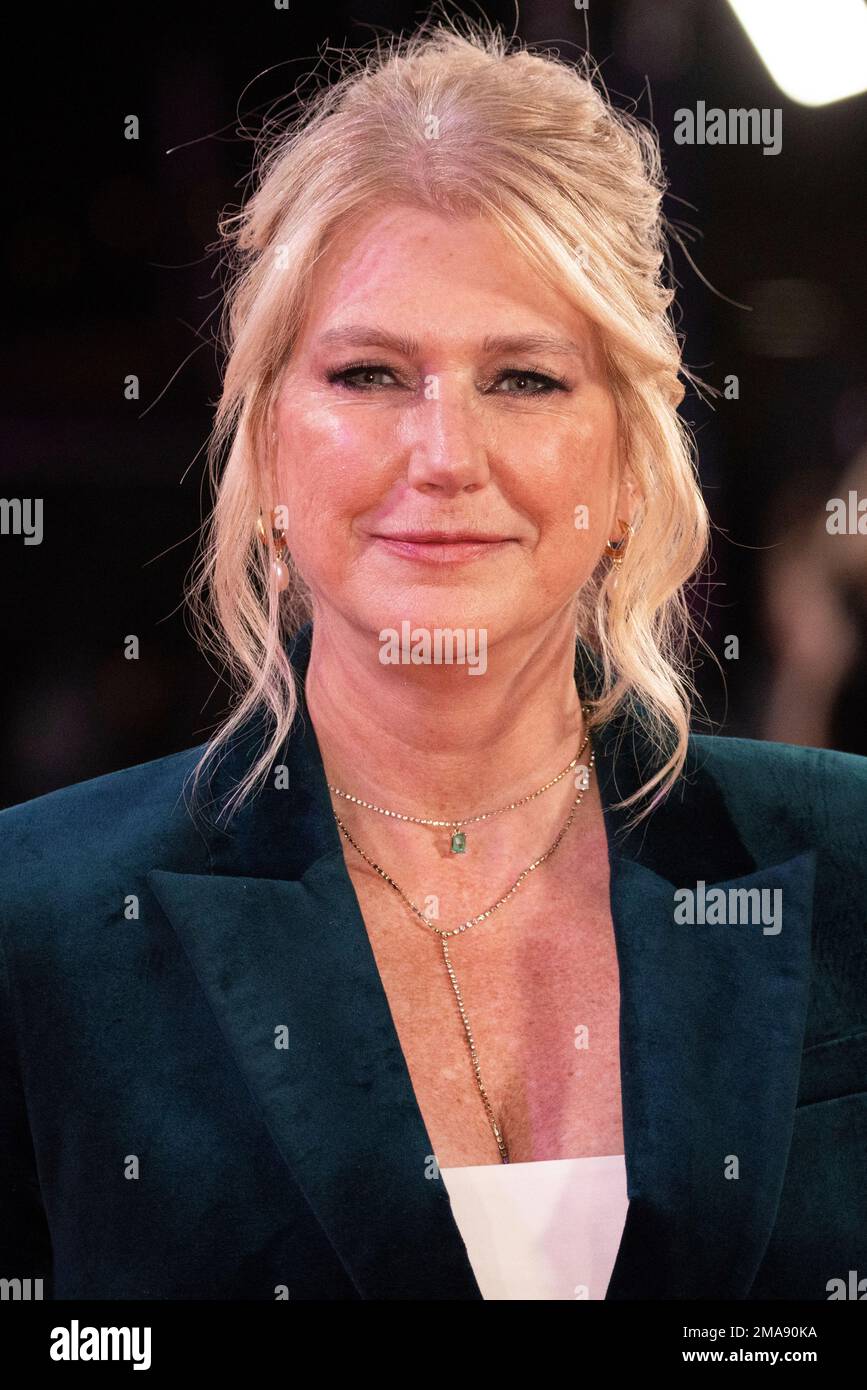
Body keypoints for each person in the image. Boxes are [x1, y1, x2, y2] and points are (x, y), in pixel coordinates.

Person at [1, 21, 865, 1302]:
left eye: (522, 378)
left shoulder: (848, 856)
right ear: (270, 450)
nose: (444, 453)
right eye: (369, 373)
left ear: (628, 462)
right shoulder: (37, 918)